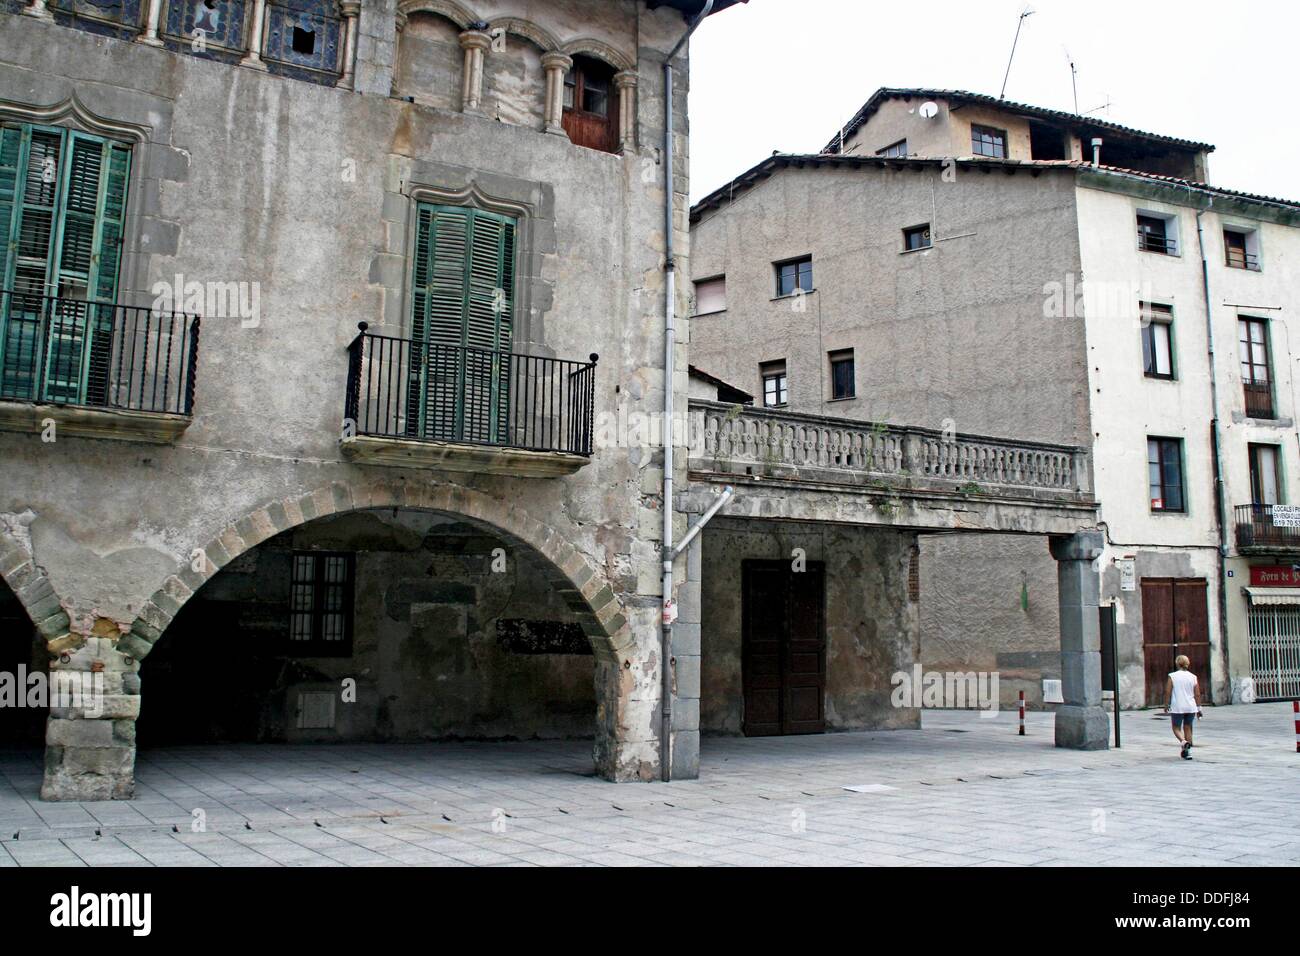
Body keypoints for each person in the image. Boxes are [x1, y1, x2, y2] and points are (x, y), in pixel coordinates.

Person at [1165, 655, 1202, 760]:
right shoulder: (1193, 677)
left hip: (1178, 706)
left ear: (1177, 663)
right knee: (1188, 727)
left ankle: (1183, 741)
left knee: (1176, 727)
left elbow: (1168, 691)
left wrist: (1166, 704)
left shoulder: (1172, 676)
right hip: (1191, 706)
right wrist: (1199, 709)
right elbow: (1197, 694)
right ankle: (1188, 752)